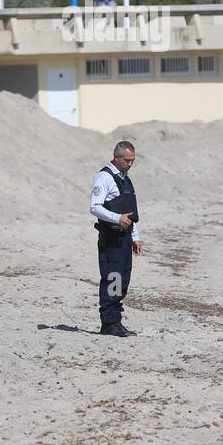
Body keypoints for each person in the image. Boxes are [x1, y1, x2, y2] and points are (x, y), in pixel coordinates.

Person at [89, 140, 142, 337]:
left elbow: (129, 212)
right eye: (127, 160)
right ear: (116, 157)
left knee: (123, 278)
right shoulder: (104, 177)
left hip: (125, 238)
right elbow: (95, 206)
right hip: (110, 238)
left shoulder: (125, 178)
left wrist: (135, 237)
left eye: (132, 161)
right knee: (113, 277)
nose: (130, 164)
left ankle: (116, 321)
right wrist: (116, 218)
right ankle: (108, 322)